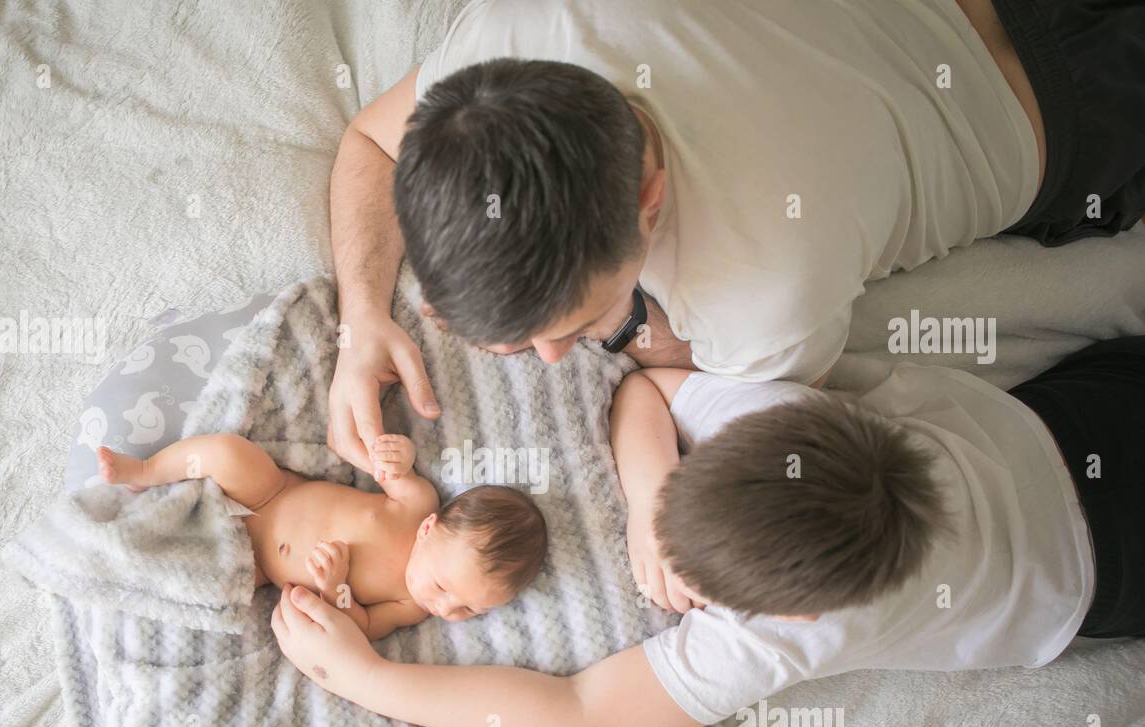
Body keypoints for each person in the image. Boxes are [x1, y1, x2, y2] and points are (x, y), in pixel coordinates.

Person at [325, 0, 1145, 473]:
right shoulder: (525, 30)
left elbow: (755, 409)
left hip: (1075, 100)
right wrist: (362, 318)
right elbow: (370, 142)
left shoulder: (763, 290)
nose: (551, 358)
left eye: (573, 329)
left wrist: (635, 336)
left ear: (651, 200)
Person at [272, 339, 1145, 727]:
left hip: (1099, 573)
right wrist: (651, 494)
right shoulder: (784, 424)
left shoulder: (790, 631)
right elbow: (646, 391)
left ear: (789, 607)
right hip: (1075, 419)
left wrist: (370, 678)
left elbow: (579, 714)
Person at [97, 433, 547, 639]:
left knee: (201, 583)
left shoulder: (410, 608)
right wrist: (398, 454)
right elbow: (391, 467)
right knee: (227, 453)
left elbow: (363, 628)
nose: (446, 608)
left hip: (259, 570)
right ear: (430, 531)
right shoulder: (417, 504)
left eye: (470, 609)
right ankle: (144, 471)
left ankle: (127, 553)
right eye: (446, 587)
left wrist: (338, 589)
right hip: (271, 494)